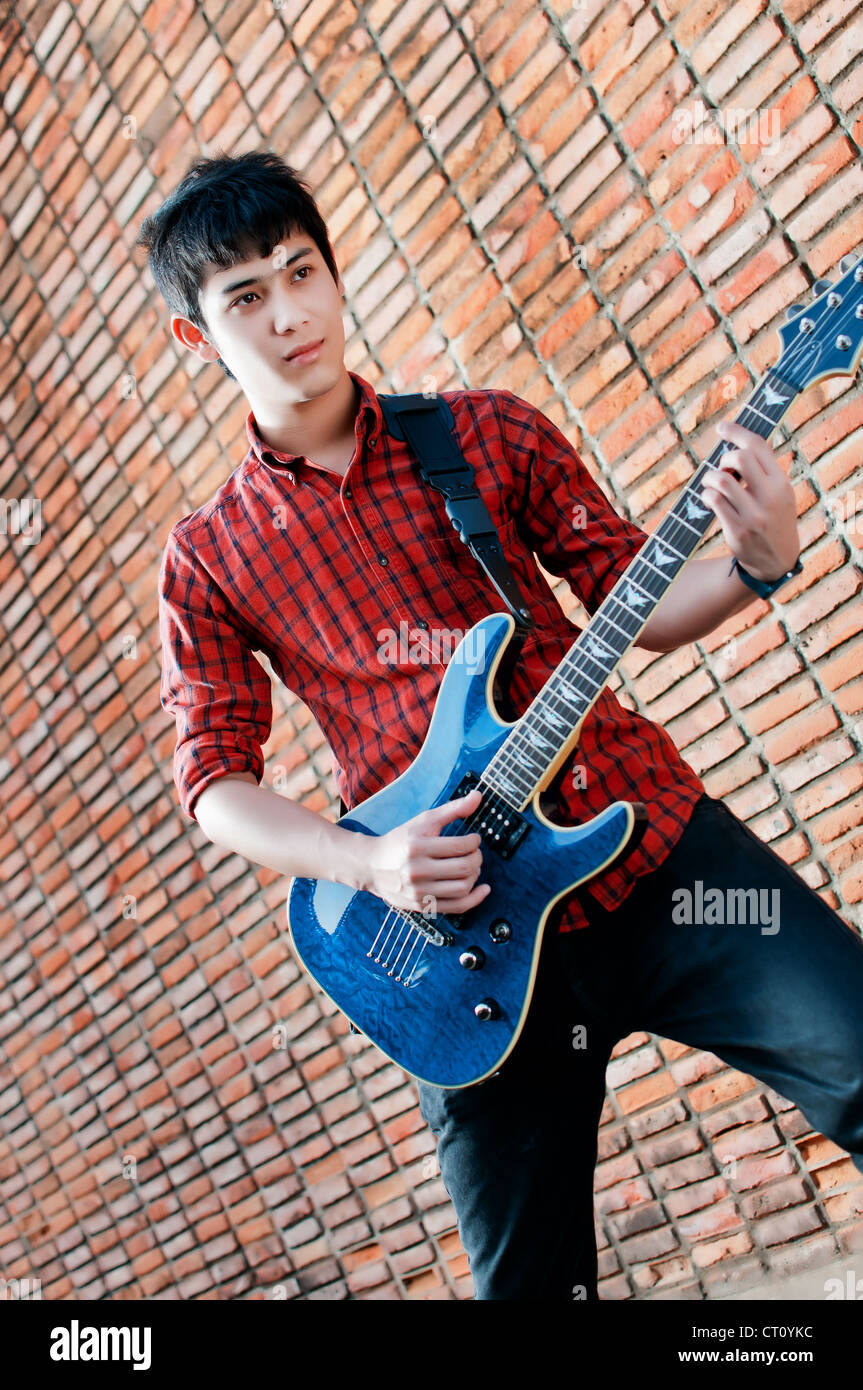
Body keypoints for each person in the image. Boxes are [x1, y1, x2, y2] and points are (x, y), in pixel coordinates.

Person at [141, 149, 863, 1300]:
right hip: (458, 943)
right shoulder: (208, 556)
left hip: (653, 853)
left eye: (301, 271)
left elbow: (636, 590)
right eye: (246, 297)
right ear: (197, 336)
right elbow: (214, 783)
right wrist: (367, 861)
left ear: (332, 276)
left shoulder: (482, 434)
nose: (290, 315)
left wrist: (758, 565)